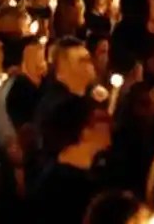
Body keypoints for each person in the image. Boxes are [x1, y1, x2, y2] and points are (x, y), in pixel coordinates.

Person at [27, 96, 111, 224]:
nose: (111, 124)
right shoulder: (68, 185)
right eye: (102, 120)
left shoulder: (60, 174)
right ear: (85, 131)